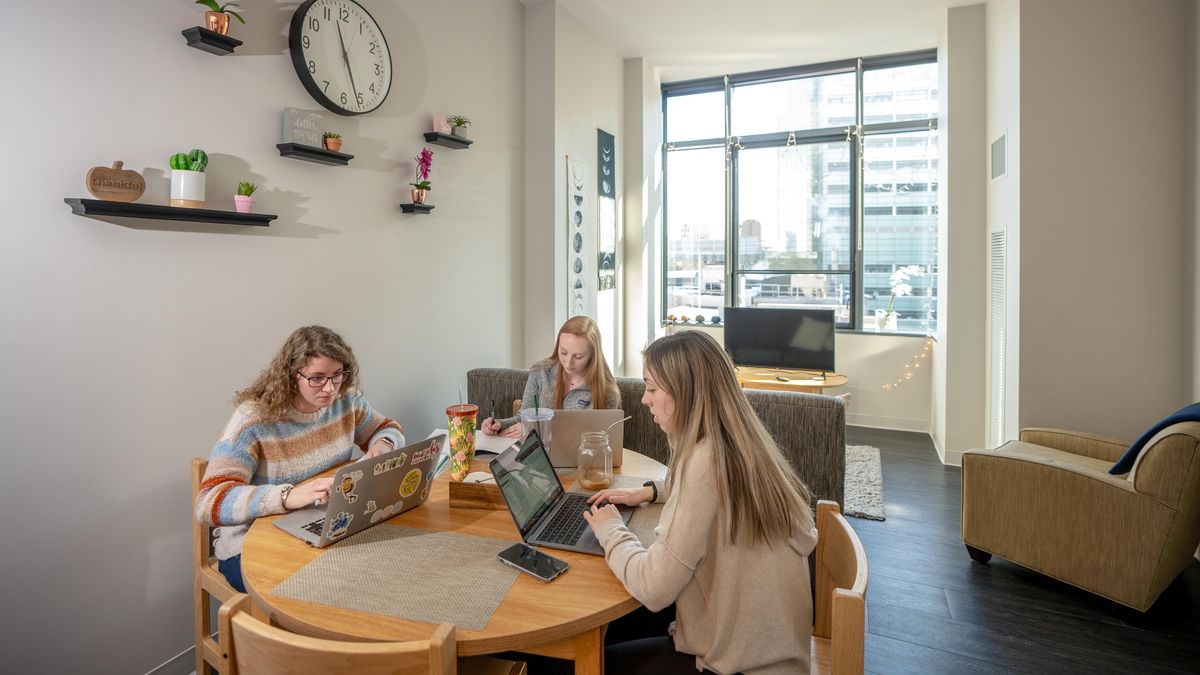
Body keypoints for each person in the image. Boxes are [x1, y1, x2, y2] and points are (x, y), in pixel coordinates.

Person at [582, 330, 817, 674]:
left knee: (575, 658)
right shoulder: (742, 447)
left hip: (737, 665)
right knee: (621, 625)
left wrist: (611, 530)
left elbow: (654, 587)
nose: (645, 400)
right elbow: (711, 491)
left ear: (686, 394)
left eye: (652, 389)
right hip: (774, 653)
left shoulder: (702, 465)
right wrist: (651, 491)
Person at [194, 326, 405, 592]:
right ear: (292, 375)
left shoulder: (345, 401)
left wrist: (383, 445)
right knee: (327, 586)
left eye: (337, 375)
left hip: (321, 523)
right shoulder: (253, 420)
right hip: (250, 545)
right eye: (317, 378)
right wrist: (287, 497)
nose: (330, 387)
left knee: (386, 560)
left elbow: (387, 429)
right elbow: (208, 502)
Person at [480, 315, 620, 439]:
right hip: (539, 454)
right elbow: (523, 418)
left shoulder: (607, 391)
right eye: (563, 352)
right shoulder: (540, 372)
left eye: (578, 357)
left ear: (593, 355)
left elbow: (596, 437)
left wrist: (534, 429)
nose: (568, 362)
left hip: (581, 457)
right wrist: (499, 425)